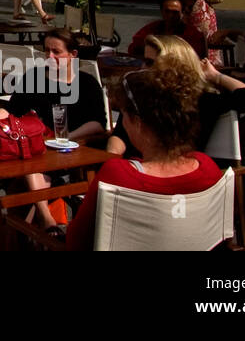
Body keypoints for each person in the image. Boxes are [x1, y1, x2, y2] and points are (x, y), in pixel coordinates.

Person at [65, 67, 224, 250]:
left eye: (123, 115)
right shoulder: (207, 168)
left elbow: (76, 241)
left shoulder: (118, 175)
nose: (123, 123)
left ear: (138, 123)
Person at [0, 28, 106, 233]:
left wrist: (66, 138)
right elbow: (12, 109)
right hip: (36, 146)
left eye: (56, 52)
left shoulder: (86, 84)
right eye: (46, 51)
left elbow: (98, 123)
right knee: (26, 160)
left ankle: (37, 222)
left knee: (25, 167)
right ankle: (43, 222)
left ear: (73, 55)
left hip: (71, 148)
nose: (49, 56)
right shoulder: (35, 77)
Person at [108, 35, 245, 158]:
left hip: (177, 171)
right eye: (145, 61)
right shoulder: (138, 94)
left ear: (174, 65)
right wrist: (112, 159)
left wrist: (216, 76)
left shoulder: (202, 99)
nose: (143, 67)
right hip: (137, 168)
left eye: (150, 62)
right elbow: (120, 135)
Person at [126, 0, 208, 59]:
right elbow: (133, 48)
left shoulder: (192, 33)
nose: (170, 16)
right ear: (162, 11)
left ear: (182, 13)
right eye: (167, 11)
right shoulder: (152, 27)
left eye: (175, 12)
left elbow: (196, 56)